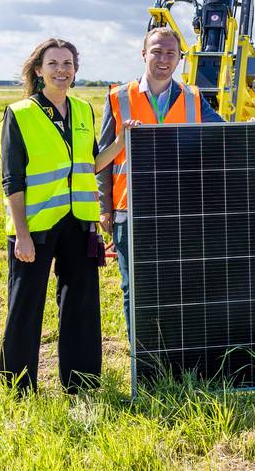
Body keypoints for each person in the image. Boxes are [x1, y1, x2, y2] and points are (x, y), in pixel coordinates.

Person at [0, 37, 124, 394]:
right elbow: (13, 180)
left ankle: (81, 383)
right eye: (53, 63)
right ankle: (18, 387)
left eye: (67, 64)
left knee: (82, 303)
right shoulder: (19, 114)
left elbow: (90, 164)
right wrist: (21, 234)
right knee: (26, 304)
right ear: (39, 71)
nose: (61, 70)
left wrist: (121, 143)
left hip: (78, 222)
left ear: (75, 70)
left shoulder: (83, 110)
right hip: (35, 226)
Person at [96, 27, 225, 339]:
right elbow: (103, 158)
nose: (163, 59)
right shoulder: (118, 98)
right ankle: (143, 359)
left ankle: (179, 354)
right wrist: (105, 209)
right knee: (135, 288)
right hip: (131, 209)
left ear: (180, 59)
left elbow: (226, 135)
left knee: (181, 286)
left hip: (181, 210)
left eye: (171, 53)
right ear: (144, 54)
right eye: (156, 51)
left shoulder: (194, 99)